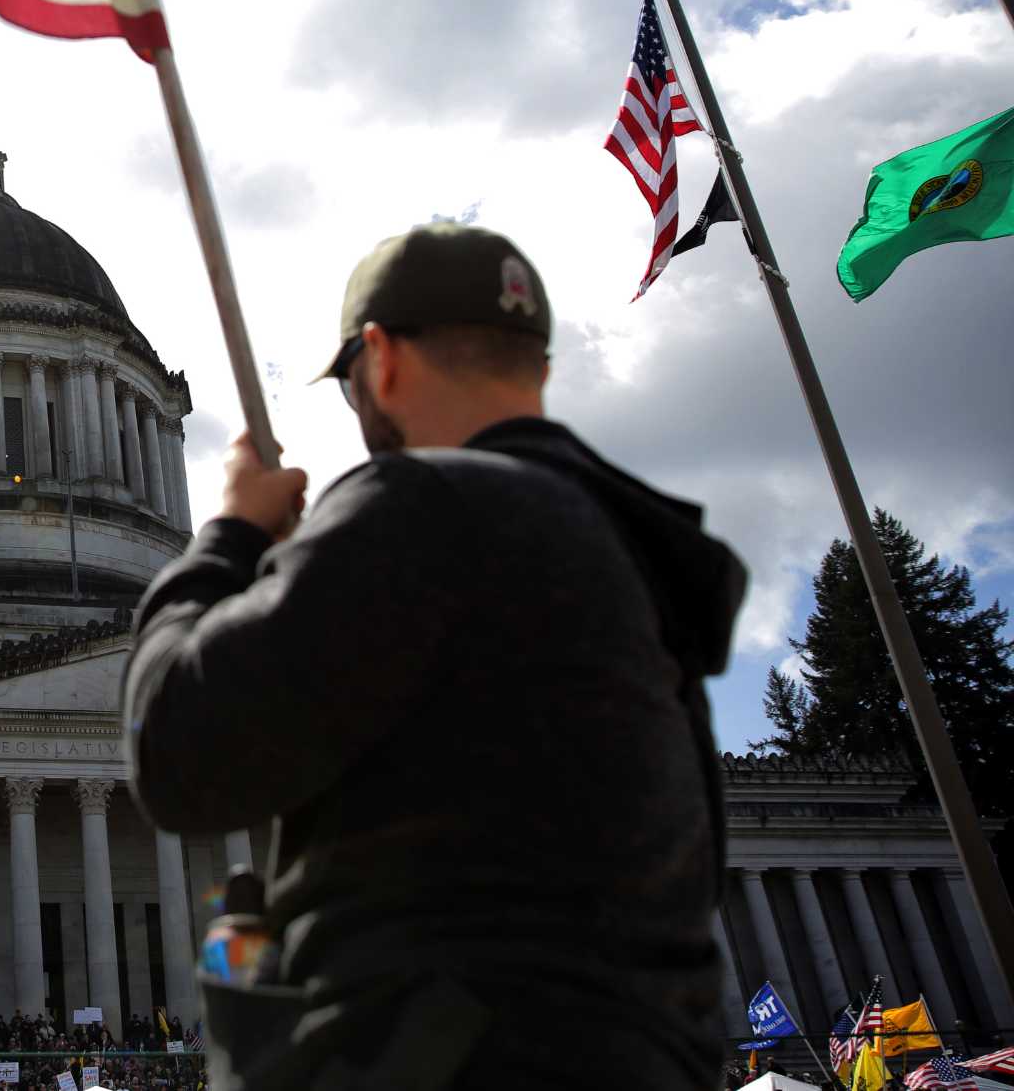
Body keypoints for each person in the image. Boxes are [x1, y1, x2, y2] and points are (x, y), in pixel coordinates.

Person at [124, 224, 746, 1091]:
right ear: (535, 363)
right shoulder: (653, 557)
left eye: (348, 386)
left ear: (378, 360)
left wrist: (228, 538)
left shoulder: (417, 506)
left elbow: (175, 750)